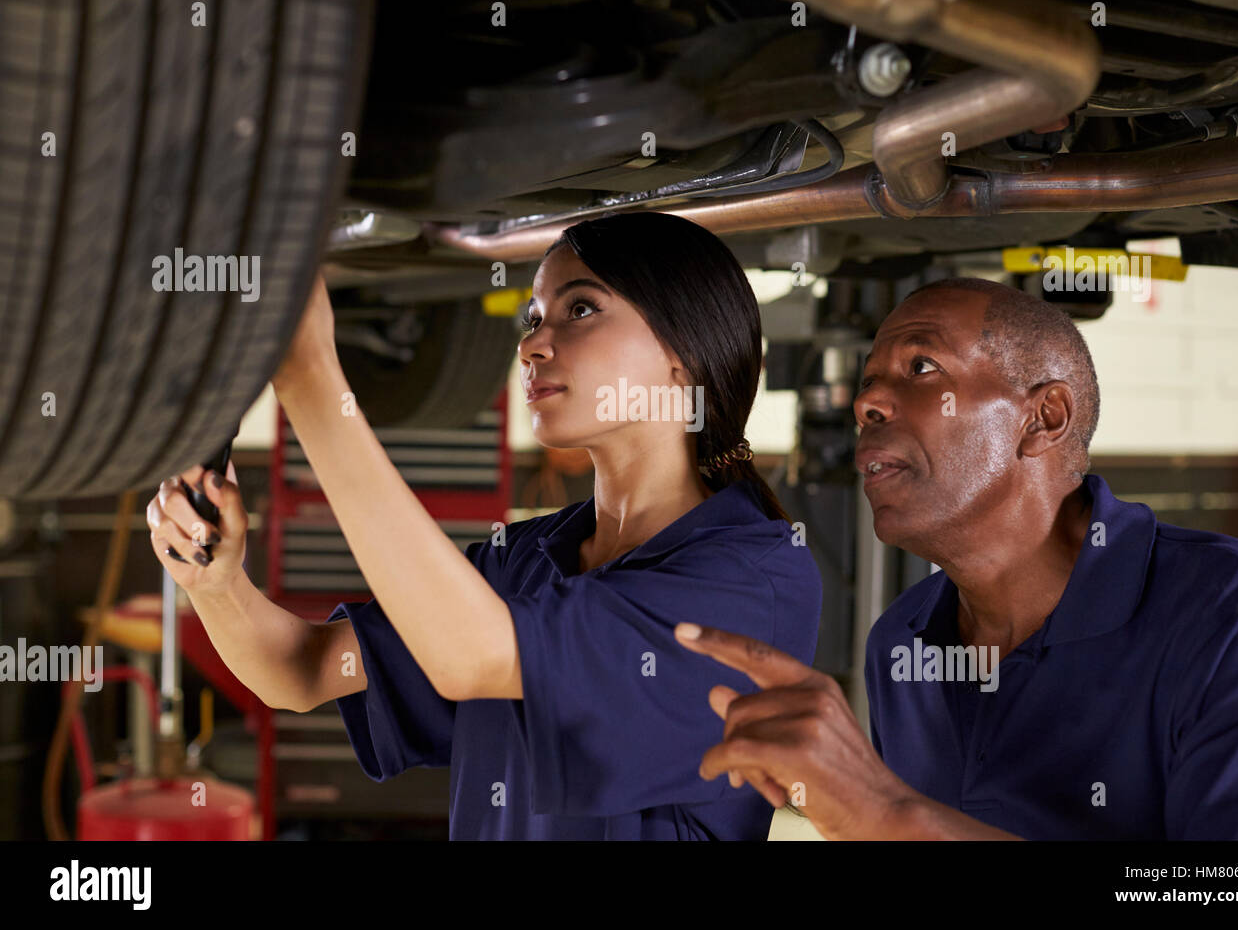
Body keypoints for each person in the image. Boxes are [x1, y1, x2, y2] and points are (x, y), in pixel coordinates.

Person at [145, 210, 822, 840]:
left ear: (684, 356)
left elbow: (480, 657)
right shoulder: (529, 559)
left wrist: (311, 376)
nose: (533, 346)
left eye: (580, 309)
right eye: (533, 317)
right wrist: (216, 581)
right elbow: (304, 670)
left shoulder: (750, 579)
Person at [676, 276, 1238, 839]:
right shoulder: (903, 642)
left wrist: (888, 814)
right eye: (868, 382)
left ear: (1044, 418)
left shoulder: (1236, 611)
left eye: (921, 366)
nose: (866, 405)